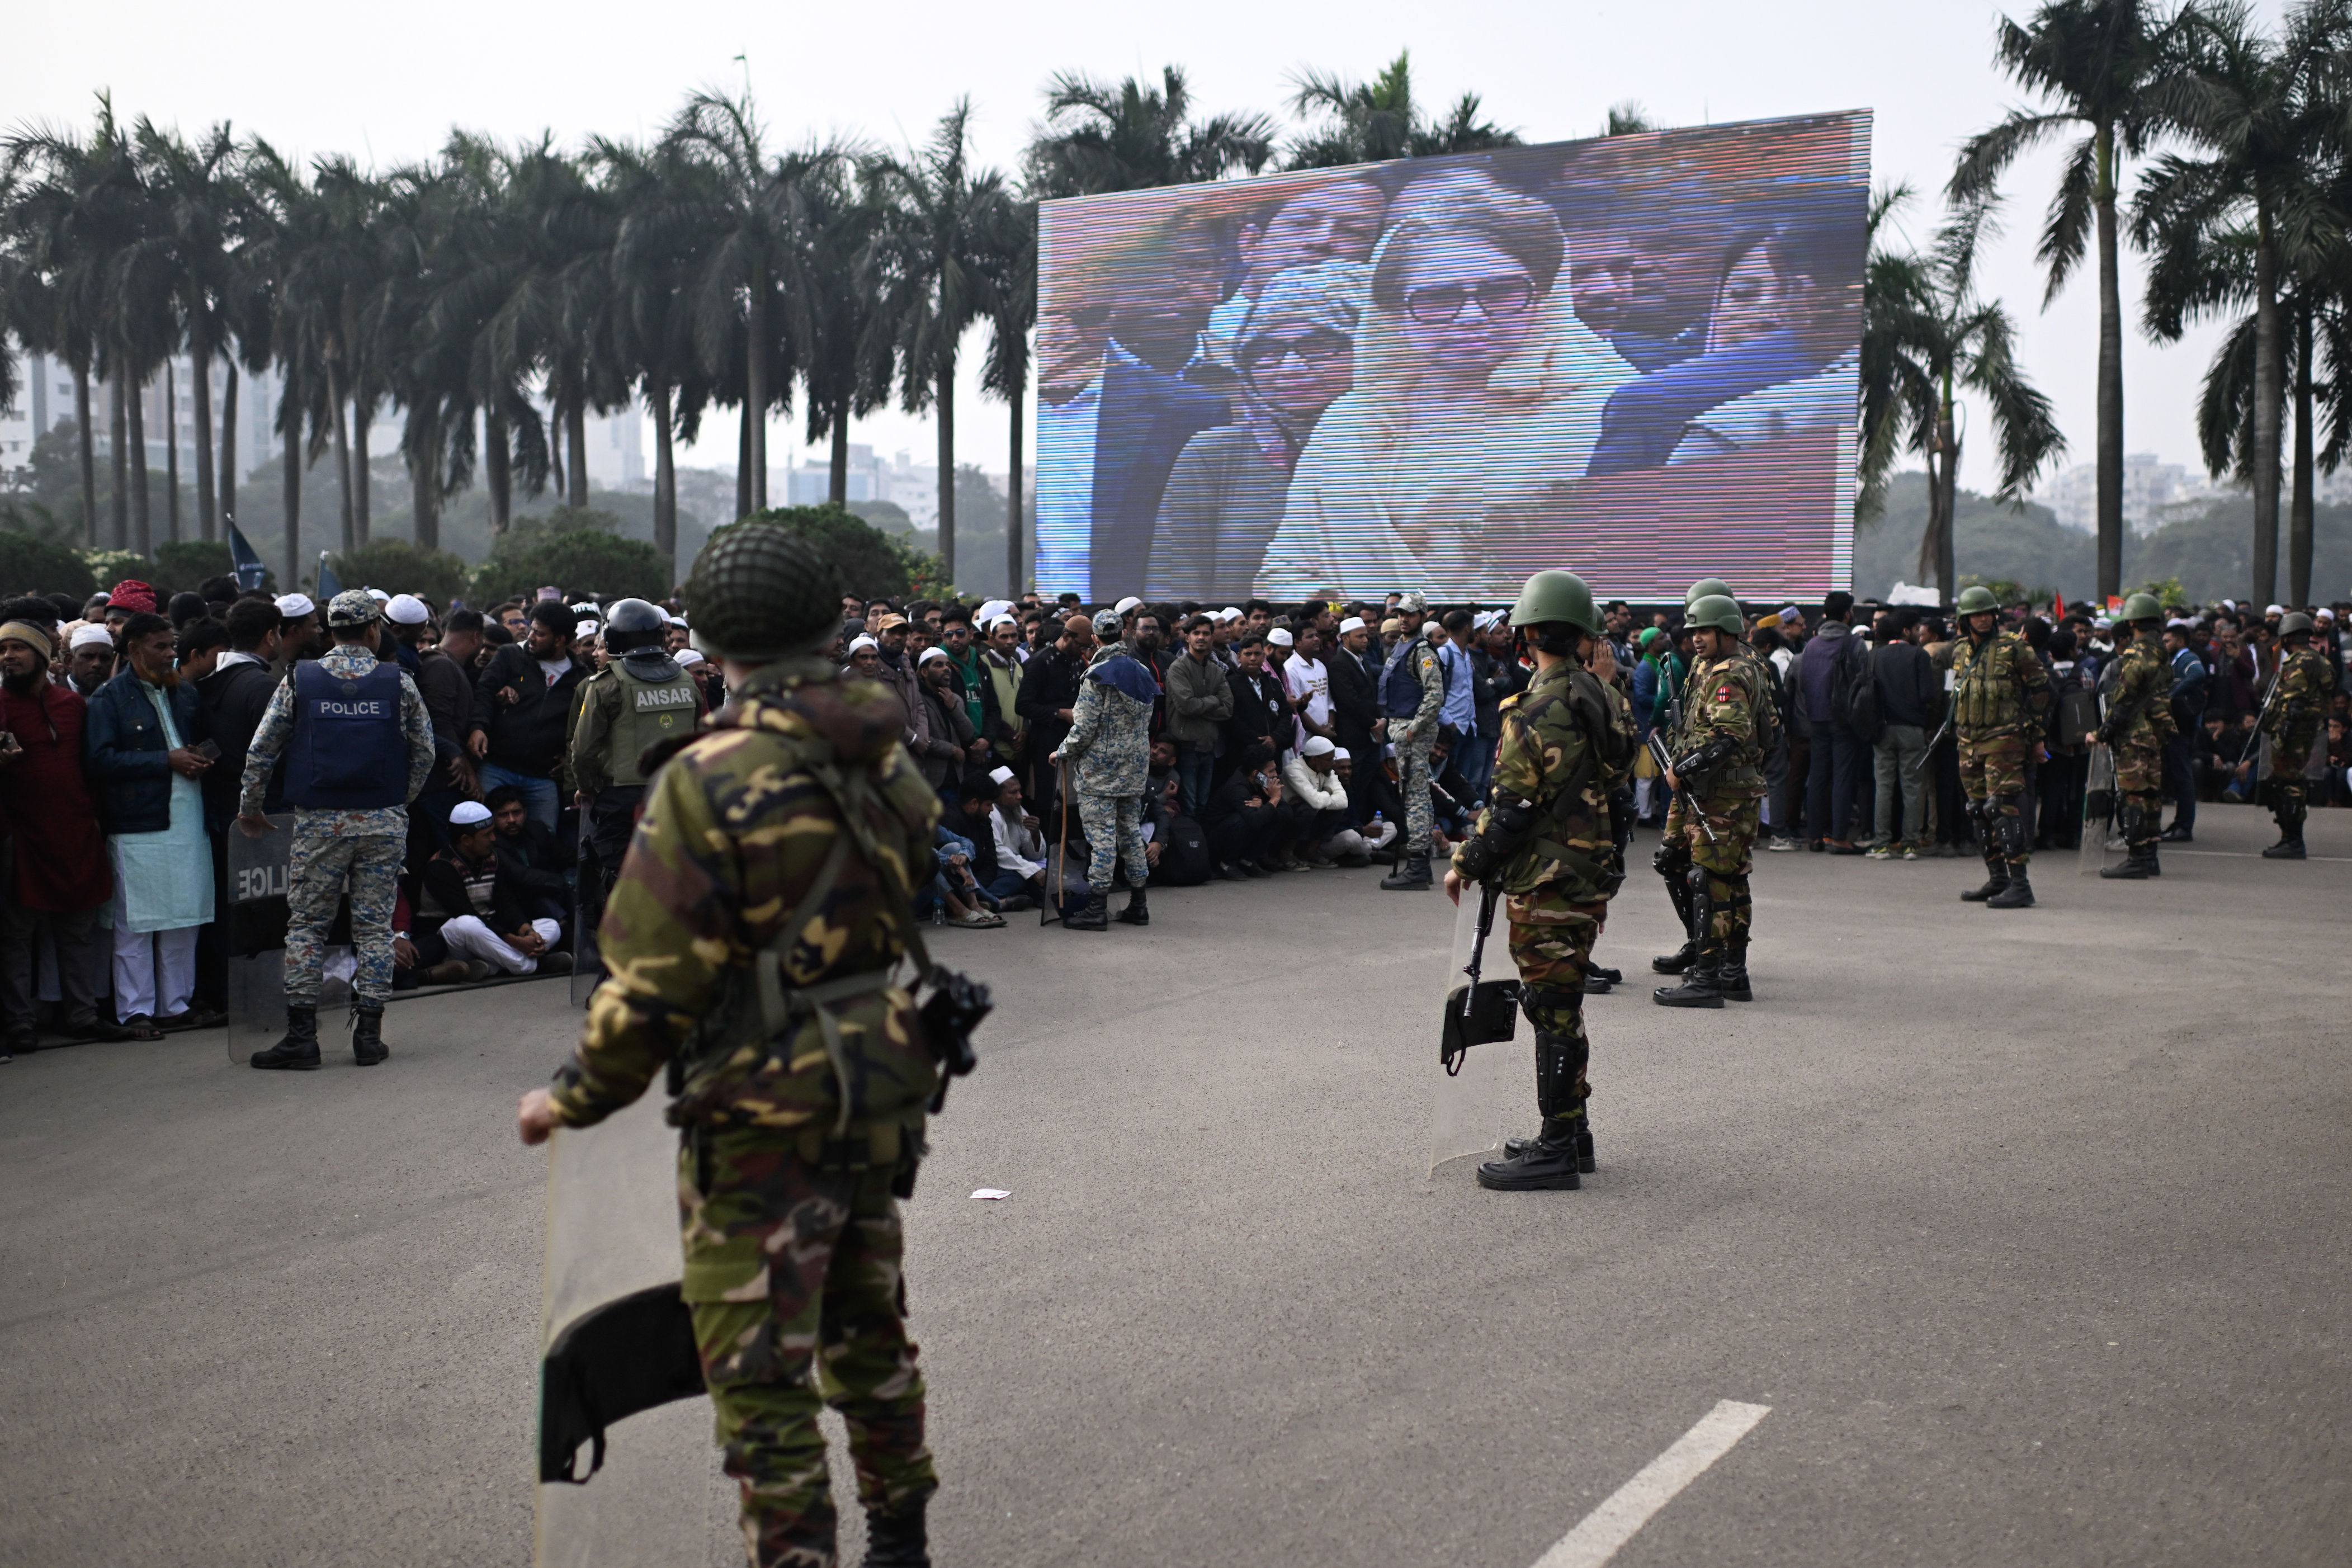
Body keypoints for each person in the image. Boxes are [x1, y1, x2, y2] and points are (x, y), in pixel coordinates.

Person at [514, 526, 945, 1568]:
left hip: (758, 1104)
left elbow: (655, 982)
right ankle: (901, 1535)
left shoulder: (707, 777)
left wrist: (570, 1095)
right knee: (867, 1323)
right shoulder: (880, 757)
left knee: (755, 1369)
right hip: (874, 1077)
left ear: (709, 641)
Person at [1446, 570, 1634, 1190]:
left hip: (1549, 878)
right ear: (1583, 634)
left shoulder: (1537, 706)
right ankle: (1572, 1133)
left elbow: (1514, 809)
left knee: (1551, 1007)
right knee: (1560, 1003)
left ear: (1527, 632)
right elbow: (1618, 778)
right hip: (1585, 870)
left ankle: (1557, 1148)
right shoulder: (1601, 692)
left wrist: (1465, 861)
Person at [239, 591, 436, 1069]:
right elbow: (426, 752)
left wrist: (251, 806)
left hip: (319, 822)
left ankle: (302, 1038)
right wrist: (396, 803)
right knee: (373, 930)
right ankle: (369, 1036)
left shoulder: (301, 678)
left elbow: (262, 749)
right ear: (374, 629)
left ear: (330, 630)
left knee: (307, 927)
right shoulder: (399, 682)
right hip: (382, 821)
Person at [83, 611, 219, 1037]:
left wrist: (197, 756)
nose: (169, 654)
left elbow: (193, 741)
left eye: (171, 645)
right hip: (138, 825)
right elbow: (99, 761)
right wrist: (166, 760)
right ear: (134, 648)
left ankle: (174, 1006)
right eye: (160, 647)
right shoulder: (110, 698)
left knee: (183, 918)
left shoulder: (185, 694)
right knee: (135, 924)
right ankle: (135, 1012)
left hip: (187, 819)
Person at [0, 618, 114, 1052]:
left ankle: (82, 1016)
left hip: (76, 833)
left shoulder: (72, 705)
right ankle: (21, 1023)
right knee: (17, 936)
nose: (9, 656)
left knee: (78, 931)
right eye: (3, 649)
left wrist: (94, 821)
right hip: (21, 839)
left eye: (18, 648)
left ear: (43, 657)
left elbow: (89, 768)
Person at [1652, 594, 1770, 1006]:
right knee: (1717, 874)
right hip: (1714, 789)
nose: (1696, 639)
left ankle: (1709, 977)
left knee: (1712, 879)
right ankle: (1731, 972)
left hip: (1720, 791)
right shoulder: (1718, 667)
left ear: (1726, 632)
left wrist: (1681, 770)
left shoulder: (1731, 675)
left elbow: (1728, 736)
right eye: (1693, 632)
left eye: (1704, 631)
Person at [567, 597, 706, 915]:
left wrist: (587, 787)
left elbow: (583, 750)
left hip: (623, 801)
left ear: (612, 637)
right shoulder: (689, 681)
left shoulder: (606, 684)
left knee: (625, 883)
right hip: (678, 798)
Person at [1053, 608, 1158, 930]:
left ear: (1096, 638)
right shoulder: (1142, 670)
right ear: (1124, 633)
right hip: (1135, 768)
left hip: (1100, 773)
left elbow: (1084, 728)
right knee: (1129, 834)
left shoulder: (1096, 674)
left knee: (1102, 839)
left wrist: (1061, 752)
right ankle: (1139, 904)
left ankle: (1097, 908)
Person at [1948, 584, 2052, 907]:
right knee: (1978, 810)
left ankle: (2021, 885)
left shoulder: (2015, 647)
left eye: (1987, 613)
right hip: (1969, 742)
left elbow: (2042, 692)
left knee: (2001, 808)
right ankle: (1997, 880)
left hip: (2004, 740)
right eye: (1975, 615)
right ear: (1964, 620)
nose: (1982, 619)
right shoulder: (1960, 651)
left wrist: (2034, 734)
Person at [467, 599, 587, 832]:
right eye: (531, 629)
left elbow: (584, 727)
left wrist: (569, 759)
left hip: (542, 778)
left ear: (560, 640)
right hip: (496, 768)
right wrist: (478, 727)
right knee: (484, 835)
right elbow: (484, 692)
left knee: (543, 841)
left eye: (540, 634)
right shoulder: (509, 656)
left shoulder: (581, 679)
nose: (531, 637)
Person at [417, 800, 569, 975]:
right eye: (487, 835)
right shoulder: (441, 866)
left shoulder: (491, 858)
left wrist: (528, 931)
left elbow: (505, 902)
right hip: (454, 938)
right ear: (466, 840)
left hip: (492, 933)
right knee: (468, 924)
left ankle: (491, 967)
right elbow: (466, 913)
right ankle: (533, 966)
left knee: (551, 926)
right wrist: (516, 942)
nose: (494, 839)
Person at [2095, 594, 2178, 881]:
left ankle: (2136, 858)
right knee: (2151, 794)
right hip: (2154, 732)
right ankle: (2150, 858)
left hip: (2134, 733)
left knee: (2131, 796)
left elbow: (2126, 694)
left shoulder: (2137, 652)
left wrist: (2107, 728)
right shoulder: (2160, 651)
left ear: (2131, 621)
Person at [1378, 594, 1448, 890]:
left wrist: (1413, 729)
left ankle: (1418, 866)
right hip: (1401, 728)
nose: (1404, 619)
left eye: (1410, 614)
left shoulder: (1421, 649)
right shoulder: (1401, 646)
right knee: (1415, 795)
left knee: (1416, 799)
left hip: (1412, 732)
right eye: (1400, 614)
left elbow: (1435, 695)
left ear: (1422, 616)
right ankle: (1422, 866)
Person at [2256, 610, 2331, 859]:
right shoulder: (2322, 661)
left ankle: (2293, 841)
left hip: (2293, 733)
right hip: (2310, 731)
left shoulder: (2297, 662)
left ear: (2288, 638)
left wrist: (2284, 735)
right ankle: (2290, 838)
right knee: (2292, 783)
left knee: (2289, 785)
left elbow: (2295, 703)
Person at [1867, 610, 1940, 858]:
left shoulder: (1875, 656)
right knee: (1912, 787)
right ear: (1906, 631)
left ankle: (1881, 843)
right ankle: (1910, 843)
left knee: (1884, 786)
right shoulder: (1919, 655)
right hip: (1912, 729)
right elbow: (1927, 694)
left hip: (1882, 728)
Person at [1164, 613, 1233, 817]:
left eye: (1206, 633)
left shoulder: (1216, 669)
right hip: (1186, 747)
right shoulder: (1178, 668)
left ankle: (1200, 845)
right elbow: (1187, 706)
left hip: (1209, 746)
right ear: (1188, 638)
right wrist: (1213, 700)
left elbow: (1228, 708)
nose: (1201, 637)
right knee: (1189, 805)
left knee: (1203, 804)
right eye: (1196, 633)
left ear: (1212, 637)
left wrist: (1201, 705)